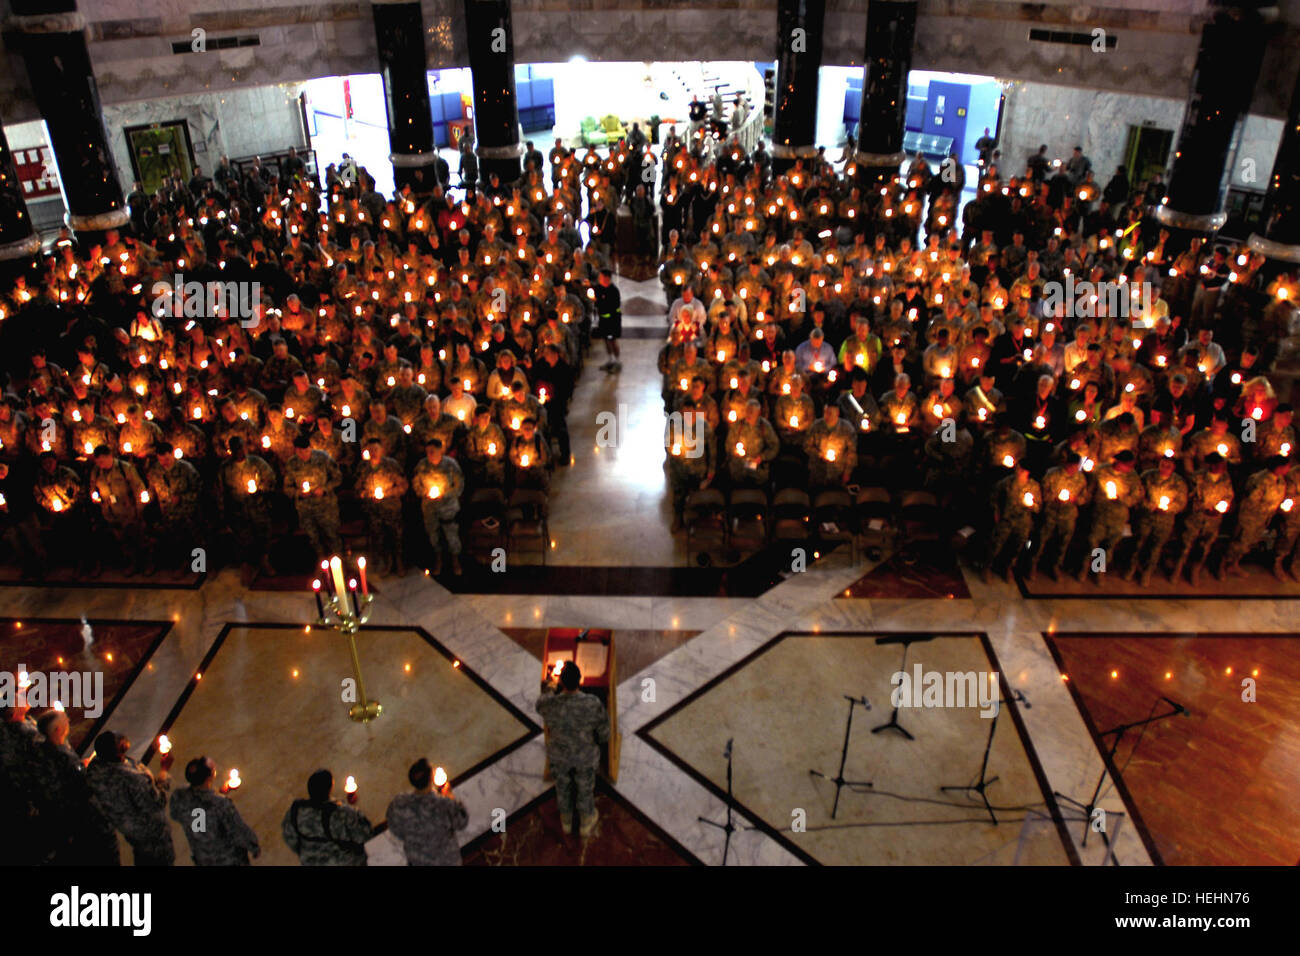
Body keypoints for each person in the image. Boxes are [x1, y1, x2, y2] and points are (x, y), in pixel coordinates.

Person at [536, 661, 609, 838]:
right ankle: (586, 820)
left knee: (562, 786)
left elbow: (539, 704)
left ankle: (566, 820)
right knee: (585, 786)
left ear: (561, 682)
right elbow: (604, 733)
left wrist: (551, 686)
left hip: (559, 756)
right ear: (580, 680)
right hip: (585, 756)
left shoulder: (550, 704)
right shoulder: (592, 703)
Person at [84, 731, 175, 866]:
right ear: (119, 751)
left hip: (129, 829)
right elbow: (156, 802)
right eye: (122, 744)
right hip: (151, 833)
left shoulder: (95, 768)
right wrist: (164, 772)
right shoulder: (132, 779)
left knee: (142, 856)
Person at [169, 756, 261, 865]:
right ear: (209, 777)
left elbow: (176, 814)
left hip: (202, 858)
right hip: (228, 860)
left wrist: (219, 792)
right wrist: (254, 846)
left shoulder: (179, 795)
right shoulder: (221, 804)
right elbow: (237, 830)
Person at [385, 757, 469, 866]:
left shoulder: (399, 804)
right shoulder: (443, 804)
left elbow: (394, 829)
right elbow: (461, 822)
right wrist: (450, 797)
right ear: (431, 779)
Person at [282, 769, 374, 866]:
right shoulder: (341, 813)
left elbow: (289, 839)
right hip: (343, 861)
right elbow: (365, 835)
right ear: (330, 789)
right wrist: (354, 811)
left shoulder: (295, 811)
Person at [412, 438, 464, 576]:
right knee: (433, 534)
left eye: (433, 452)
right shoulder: (422, 465)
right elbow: (416, 485)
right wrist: (425, 493)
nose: (430, 454)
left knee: (451, 533)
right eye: (428, 452)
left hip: (448, 506)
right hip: (429, 507)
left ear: (440, 451)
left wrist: (446, 494)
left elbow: (459, 486)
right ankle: (438, 559)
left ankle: (455, 560)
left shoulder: (451, 465)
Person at [592, 268, 622, 372]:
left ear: (607, 278)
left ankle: (617, 361)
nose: (599, 279)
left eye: (601, 277)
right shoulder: (599, 288)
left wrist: (598, 302)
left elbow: (612, 306)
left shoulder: (614, 291)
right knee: (605, 339)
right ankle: (610, 359)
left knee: (612, 340)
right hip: (603, 319)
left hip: (612, 320)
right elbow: (594, 294)